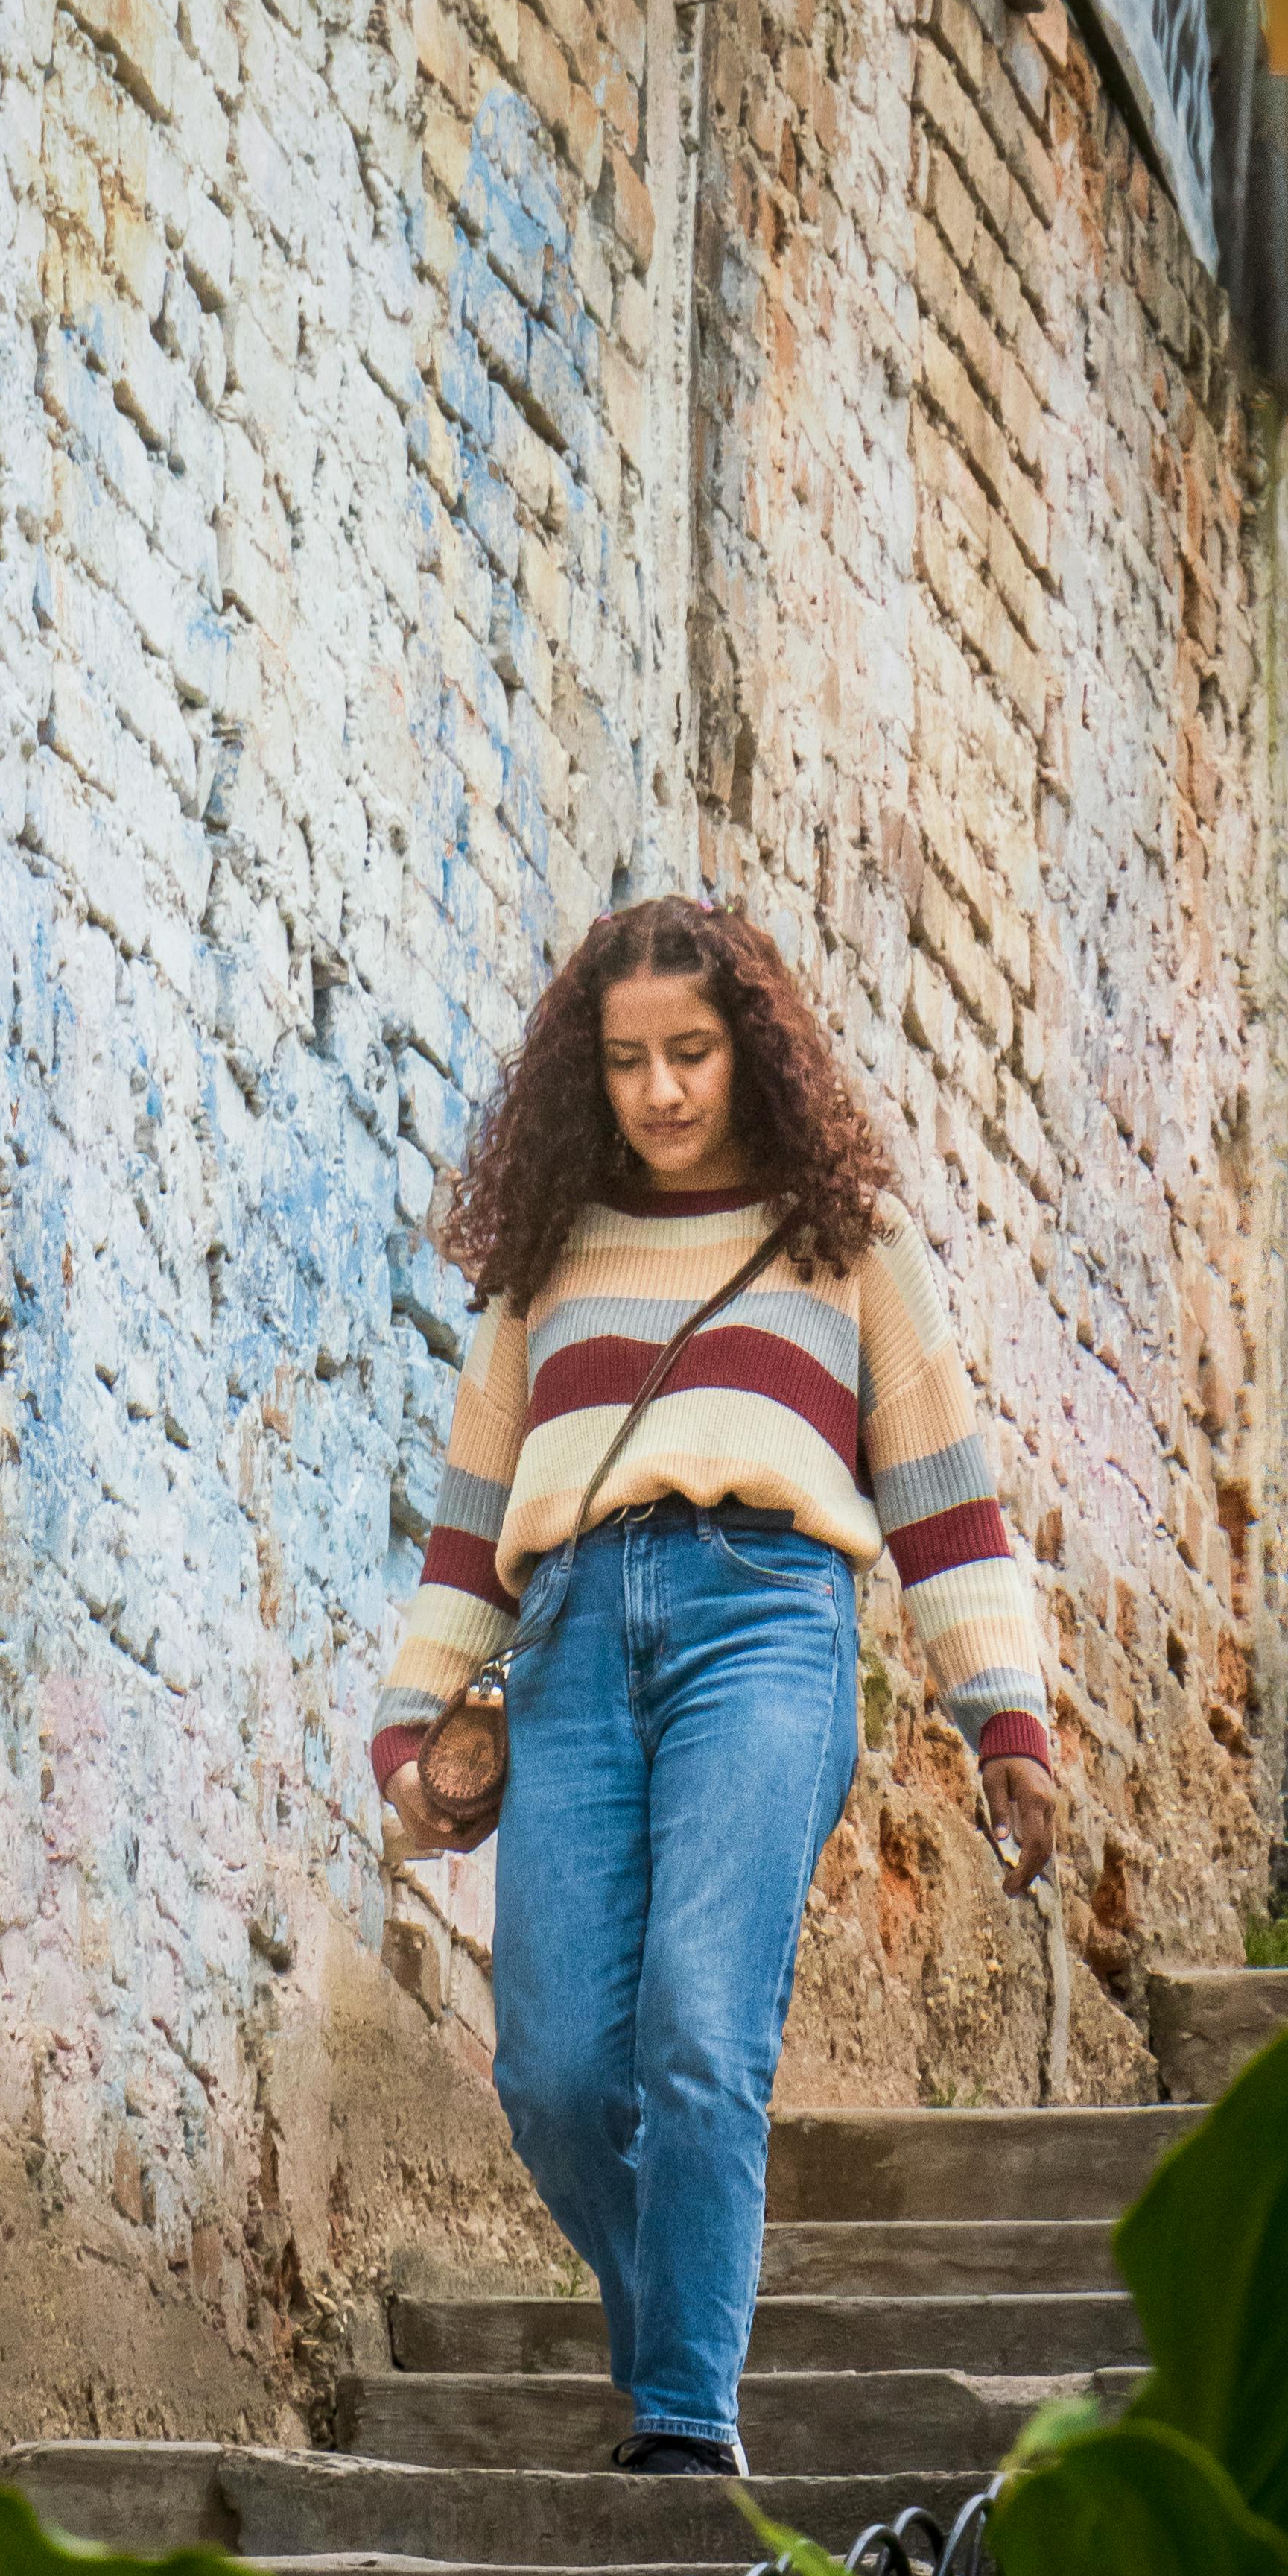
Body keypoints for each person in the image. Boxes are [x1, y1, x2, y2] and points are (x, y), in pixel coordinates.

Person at [375, 897, 1057, 2481]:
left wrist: (1003, 1721)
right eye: (627, 1063)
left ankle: (685, 2421)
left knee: (697, 2023)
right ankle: (673, 2322)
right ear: (585, 1075)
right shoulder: (543, 1265)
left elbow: (948, 1506)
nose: (663, 1092)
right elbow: (472, 1524)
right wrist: (414, 1725)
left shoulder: (849, 1244)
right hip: (562, 1643)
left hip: (764, 1620)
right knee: (549, 2069)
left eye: (691, 1053)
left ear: (751, 1051)